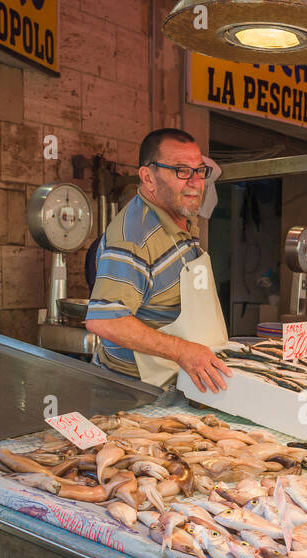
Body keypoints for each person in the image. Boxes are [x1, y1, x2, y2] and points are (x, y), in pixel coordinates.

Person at [85, 128, 232, 393]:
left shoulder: (180, 217)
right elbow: (106, 321)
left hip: (176, 385)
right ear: (148, 177)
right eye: (181, 170)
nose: (195, 182)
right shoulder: (134, 238)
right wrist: (182, 351)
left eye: (199, 171)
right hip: (132, 395)